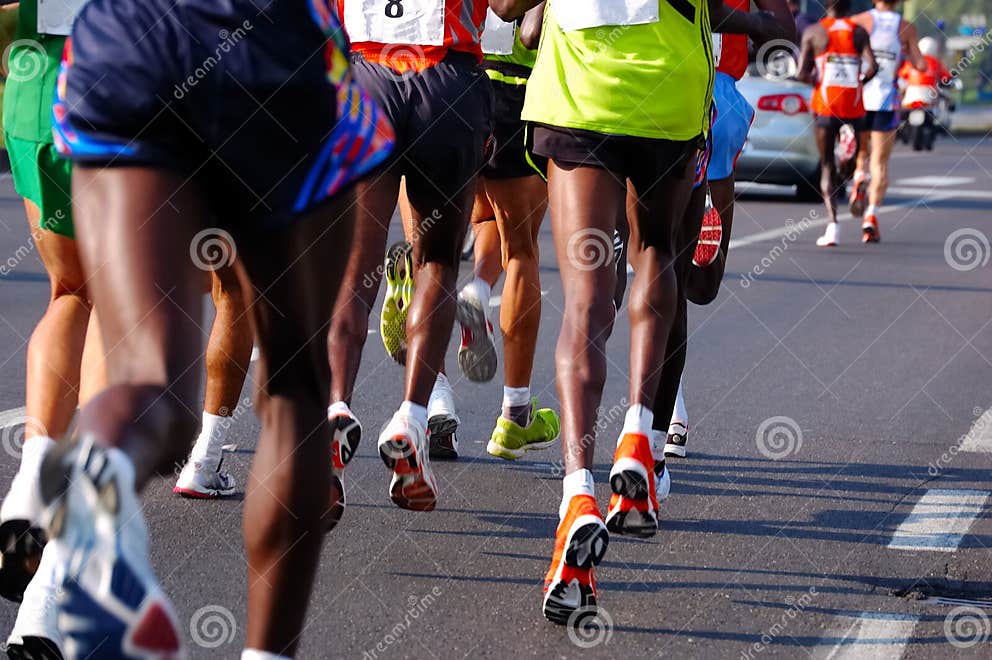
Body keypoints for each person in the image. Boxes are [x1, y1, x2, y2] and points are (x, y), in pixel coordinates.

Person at [41, 2, 393, 657]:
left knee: (150, 383)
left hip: (129, 39)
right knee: (295, 385)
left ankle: (98, 491)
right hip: (278, 47)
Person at [493, 0, 786, 625]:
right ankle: (637, 438)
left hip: (580, 99)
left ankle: (578, 492)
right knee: (658, 253)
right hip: (669, 96)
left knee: (586, 303)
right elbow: (761, 14)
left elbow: (509, 10)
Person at [326, 0, 492, 508]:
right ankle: (412, 418)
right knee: (437, 263)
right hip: (447, 83)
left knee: (355, 270)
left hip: (367, 78)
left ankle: (335, 408)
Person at [663, 0, 796, 461]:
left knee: (693, 283)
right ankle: (662, 418)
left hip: (707, 100)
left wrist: (753, 22)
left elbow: (784, 31)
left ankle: (650, 422)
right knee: (667, 277)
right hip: (663, 94)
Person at [454, 4, 561, 461]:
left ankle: (477, 287)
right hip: (523, 92)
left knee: (480, 221)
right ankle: (514, 416)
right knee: (522, 250)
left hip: (461, 82)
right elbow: (536, 30)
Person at [797, 0, 877, 247]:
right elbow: (873, 66)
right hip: (854, 106)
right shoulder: (859, 32)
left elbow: (802, 73)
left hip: (826, 106)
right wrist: (859, 80)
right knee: (853, 160)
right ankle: (855, 171)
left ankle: (833, 228)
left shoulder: (814, 32)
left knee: (826, 166)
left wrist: (814, 79)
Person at [849, 0, 926, 243]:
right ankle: (871, 215)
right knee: (880, 163)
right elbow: (920, 63)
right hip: (886, 100)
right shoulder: (905, 26)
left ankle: (858, 175)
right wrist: (904, 56)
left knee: (861, 153)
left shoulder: (858, 21)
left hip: (860, 98)